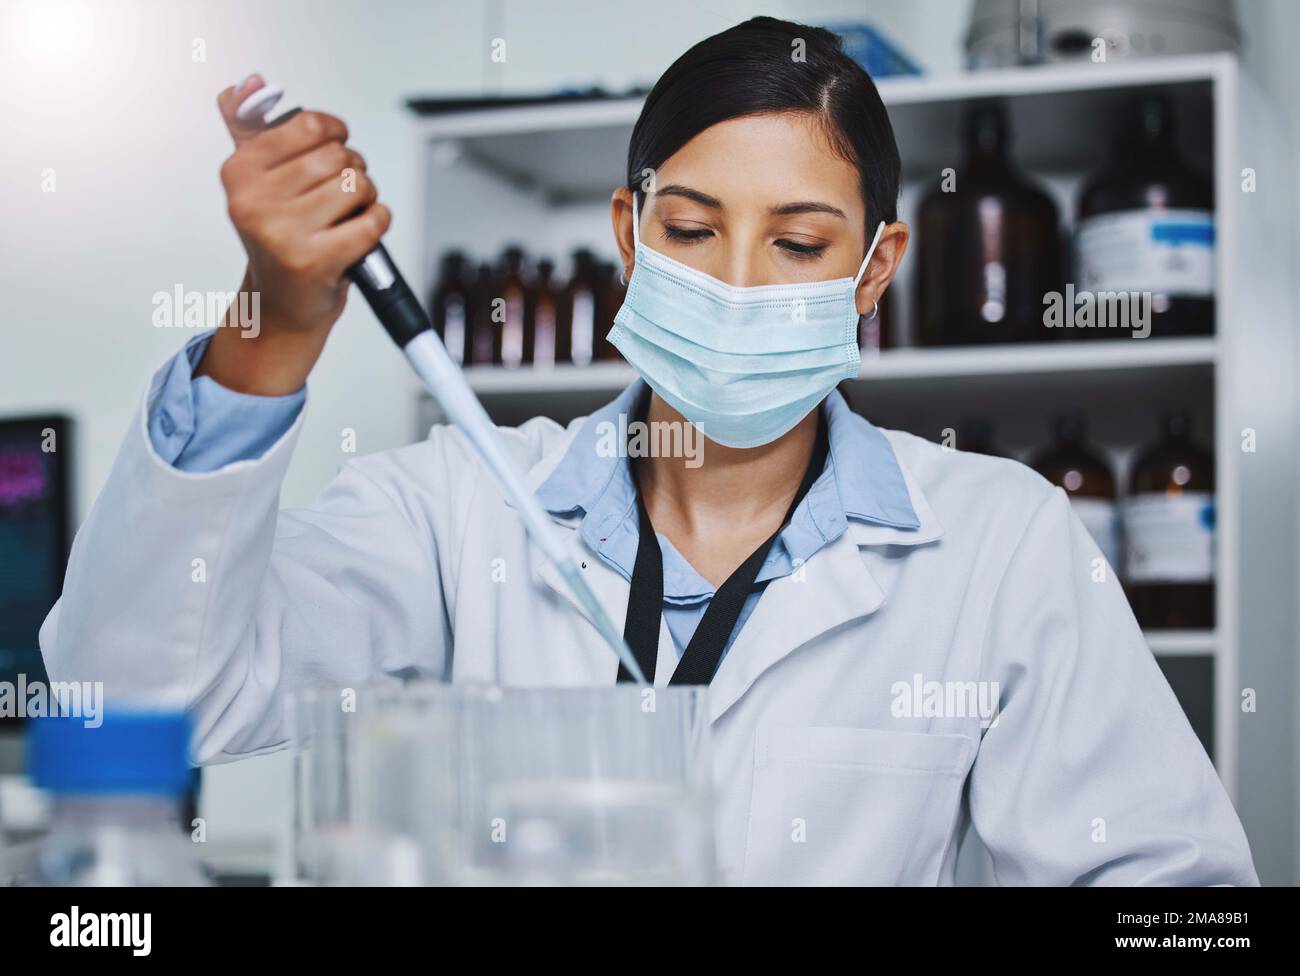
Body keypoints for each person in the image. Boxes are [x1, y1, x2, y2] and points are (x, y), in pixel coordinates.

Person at [40, 17, 1256, 885]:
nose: (733, 282)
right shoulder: (461, 505)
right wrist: (275, 325)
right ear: (628, 233)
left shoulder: (999, 538)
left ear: (875, 268)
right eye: (690, 227)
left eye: (797, 244)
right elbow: (136, 699)